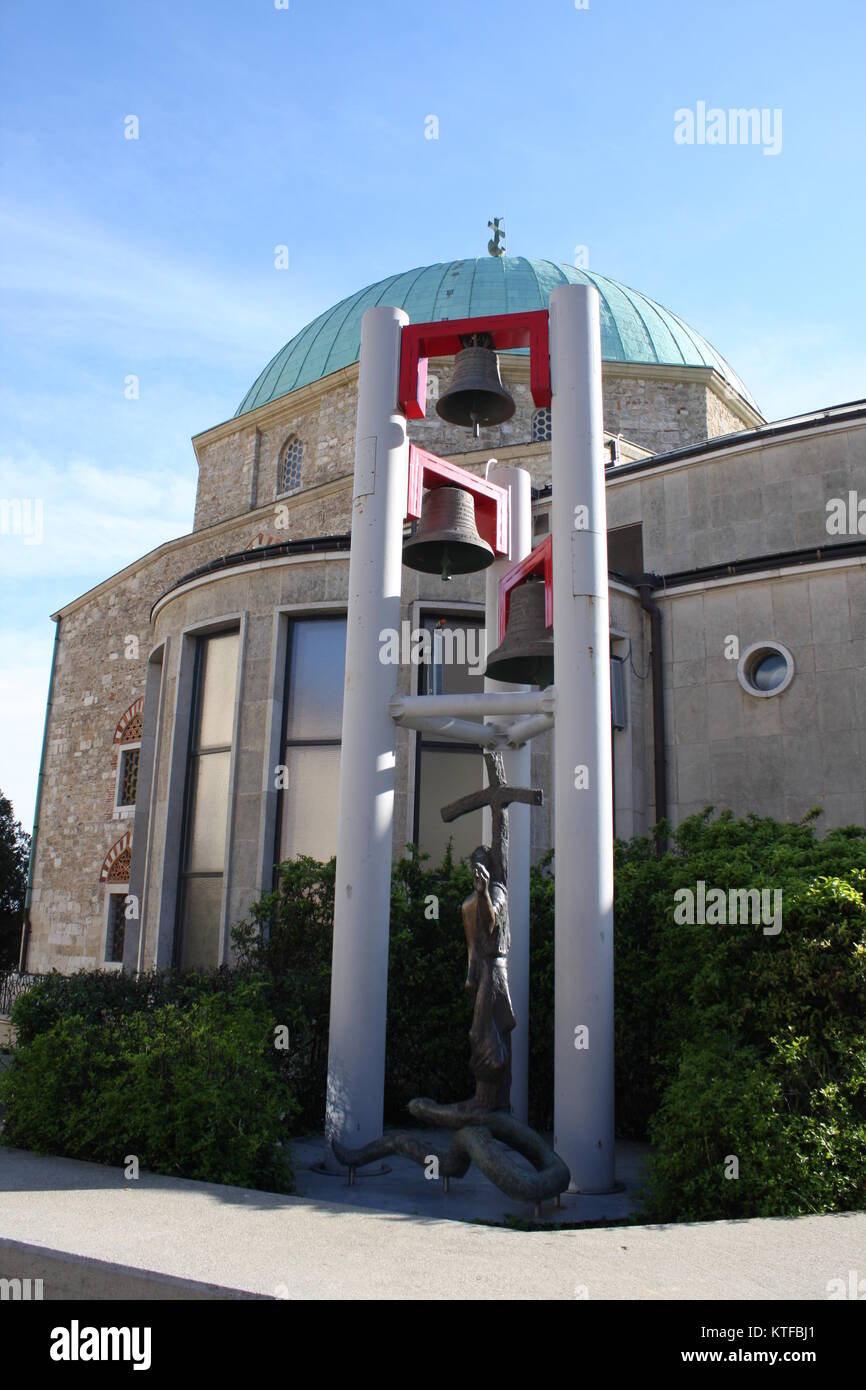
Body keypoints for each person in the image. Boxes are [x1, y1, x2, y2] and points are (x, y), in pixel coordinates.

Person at [459, 846, 516, 1112]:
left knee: (484, 1032)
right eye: (475, 863)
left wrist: (483, 892)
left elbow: (491, 923)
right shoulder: (471, 901)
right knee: (480, 1030)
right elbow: (473, 943)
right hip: (481, 969)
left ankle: (490, 1098)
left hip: (494, 969)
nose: (478, 868)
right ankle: (487, 1096)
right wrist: (471, 974)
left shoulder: (496, 891)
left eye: (483, 863)